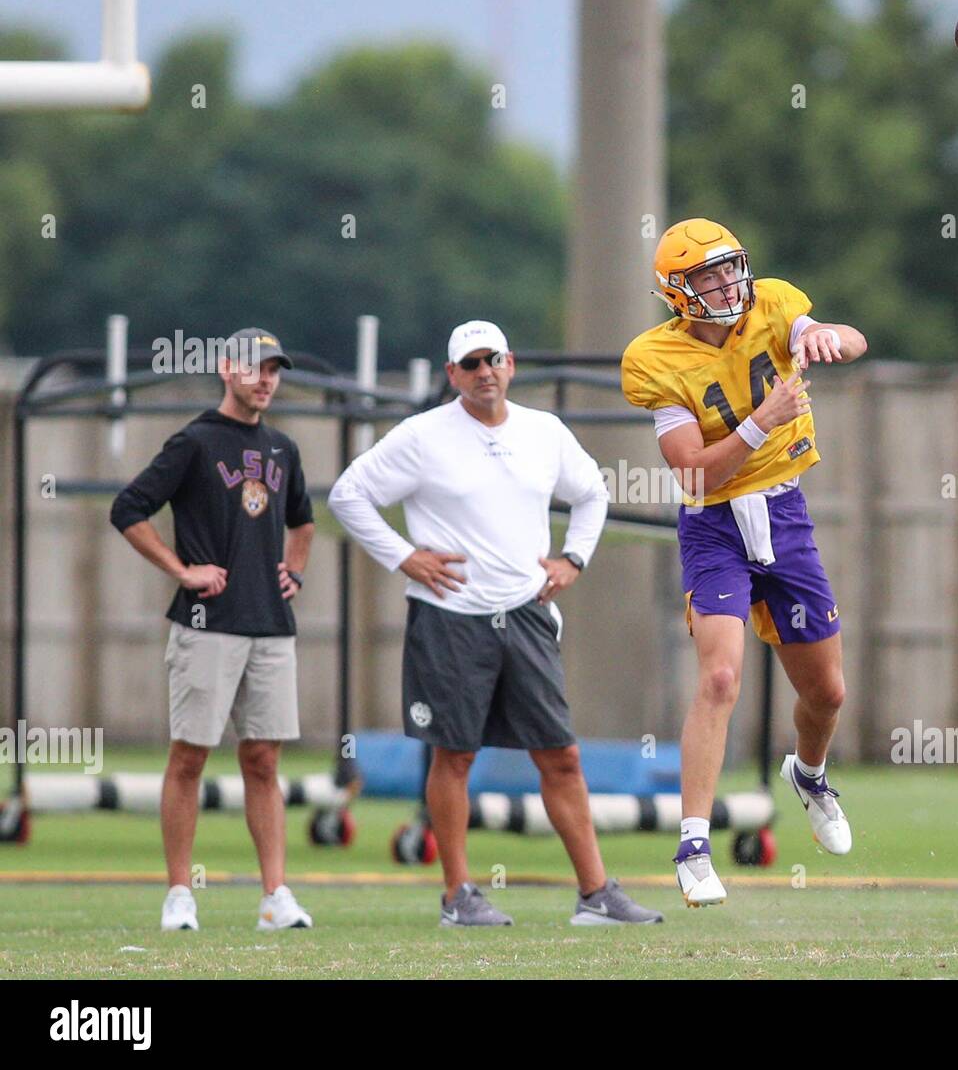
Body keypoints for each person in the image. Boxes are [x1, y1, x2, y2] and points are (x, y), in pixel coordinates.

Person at [328, 319, 662, 927]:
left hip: (527, 615)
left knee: (561, 756)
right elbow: (348, 494)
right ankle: (458, 896)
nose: (486, 372)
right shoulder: (422, 436)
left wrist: (573, 559)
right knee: (453, 756)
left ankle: (596, 894)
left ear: (511, 365)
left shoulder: (544, 431)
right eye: (472, 363)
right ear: (452, 374)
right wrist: (405, 556)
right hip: (450, 618)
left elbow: (592, 493)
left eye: (495, 359)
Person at [621, 218, 868, 906]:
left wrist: (827, 336)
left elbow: (850, 338)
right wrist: (762, 419)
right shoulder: (655, 358)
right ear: (680, 291)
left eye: (731, 268)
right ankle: (694, 846)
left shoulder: (773, 305)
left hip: (784, 514)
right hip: (715, 525)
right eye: (709, 275)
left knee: (828, 694)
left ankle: (810, 776)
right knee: (721, 676)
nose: (728, 282)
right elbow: (693, 477)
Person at [110, 328, 315, 931]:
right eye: (256, 368)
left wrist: (294, 572)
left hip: (271, 626)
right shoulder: (196, 442)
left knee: (263, 761)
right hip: (208, 624)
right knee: (190, 757)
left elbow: (303, 521)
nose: (267, 380)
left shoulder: (283, 449)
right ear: (228, 369)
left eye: (275, 370)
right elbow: (128, 509)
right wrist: (181, 570)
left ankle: (275, 896)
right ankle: (180, 894)